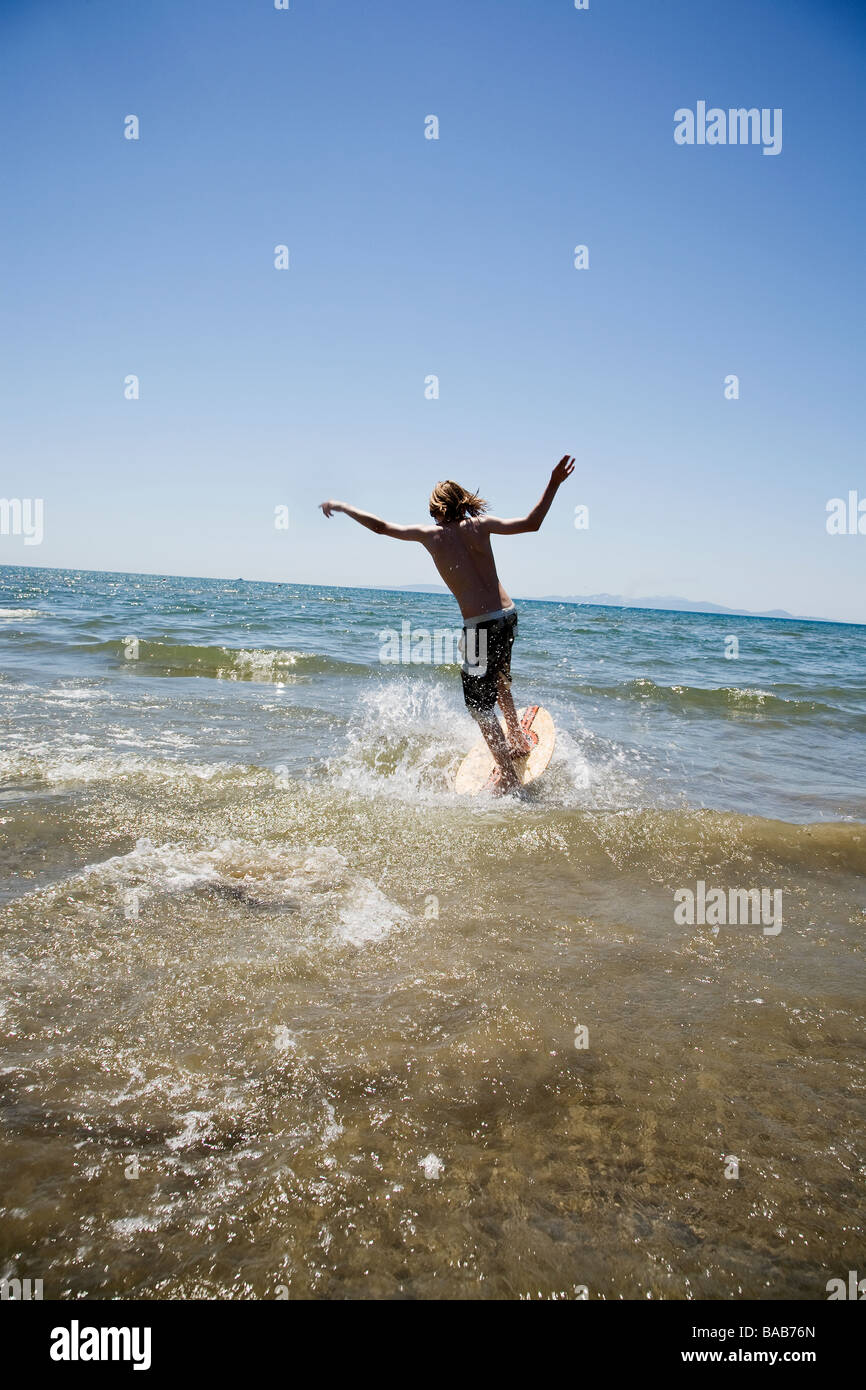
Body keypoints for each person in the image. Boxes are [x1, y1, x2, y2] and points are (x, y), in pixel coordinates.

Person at [320, 455, 575, 793]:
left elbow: (381, 527)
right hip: (507, 614)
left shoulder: (431, 536)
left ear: (436, 509)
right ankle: (516, 737)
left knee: (480, 709)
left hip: (480, 626)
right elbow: (532, 522)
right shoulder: (480, 526)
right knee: (499, 677)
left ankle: (510, 779)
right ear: (461, 503)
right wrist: (554, 482)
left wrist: (343, 506)